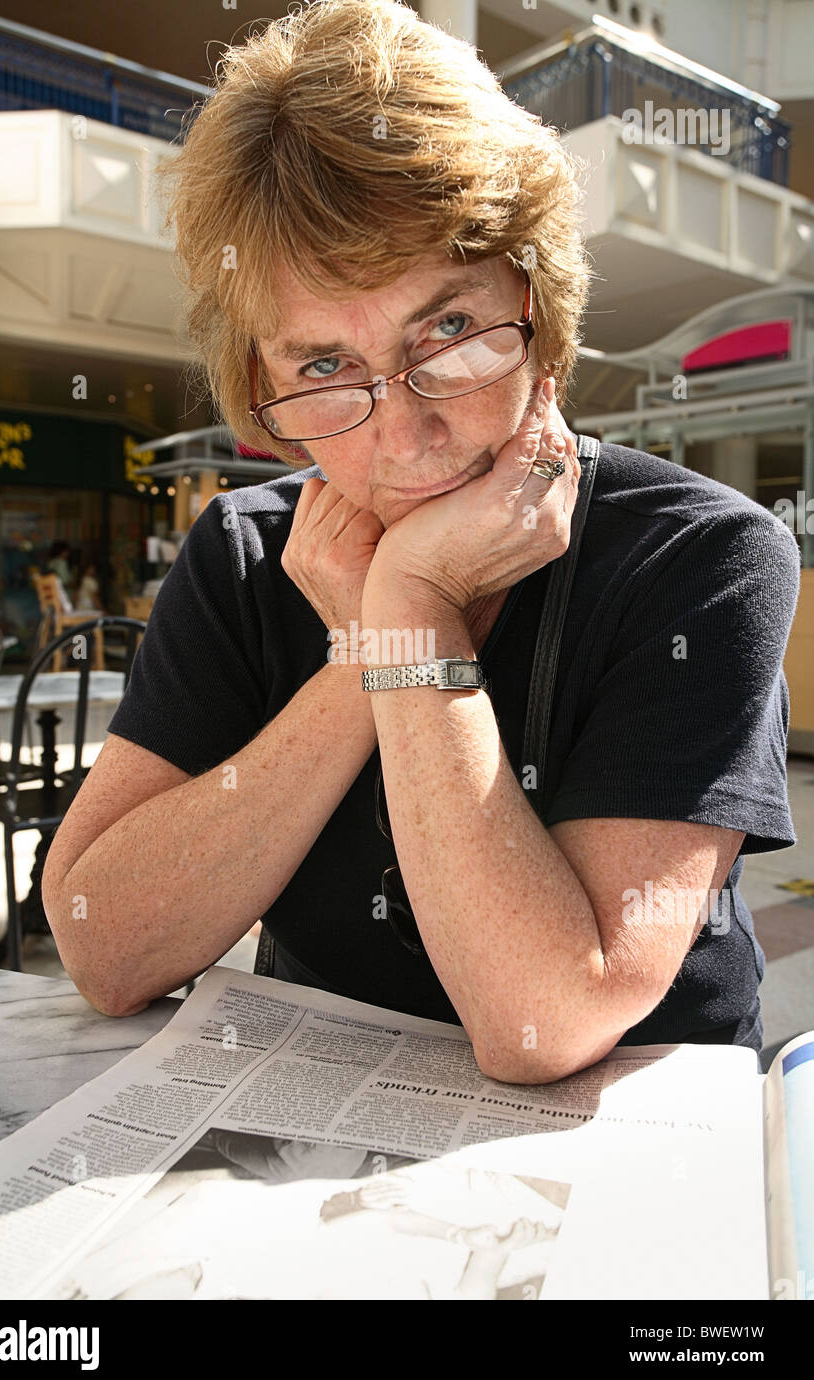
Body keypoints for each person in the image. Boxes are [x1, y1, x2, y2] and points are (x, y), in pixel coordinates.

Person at [42, 0, 799, 1084]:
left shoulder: (700, 557)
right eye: (321, 368)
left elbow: (543, 1019)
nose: (403, 433)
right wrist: (371, 658)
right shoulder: (247, 553)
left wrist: (403, 611)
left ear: (535, 306)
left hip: (622, 1170)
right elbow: (100, 946)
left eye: (445, 330)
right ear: (260, 386)